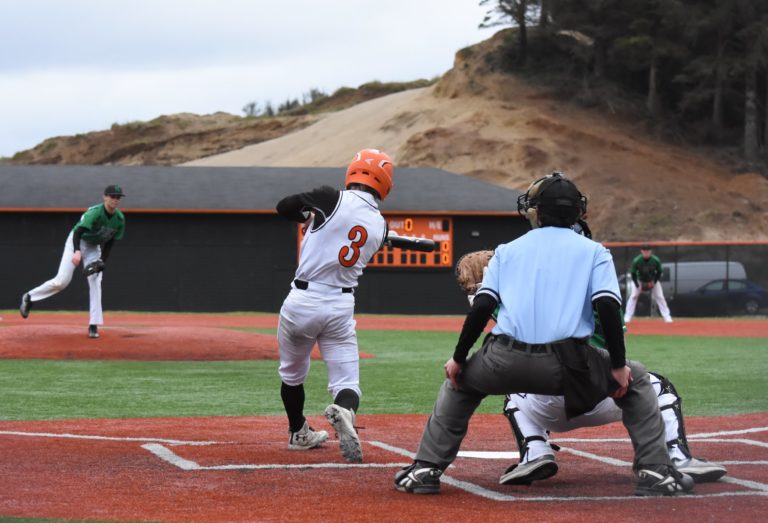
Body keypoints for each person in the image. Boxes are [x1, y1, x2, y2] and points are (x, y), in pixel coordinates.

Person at [394, 171, 694, 496]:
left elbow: (482, 308)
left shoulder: (506, 251)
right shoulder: (595, 252)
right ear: (579, 212)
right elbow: (608, 307)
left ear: (536, 212)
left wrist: (458, 359)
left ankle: (426, 468)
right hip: (570, 362)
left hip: (503, 356)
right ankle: (654, 471)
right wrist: (618, 365)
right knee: (637, 378)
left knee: (458, 386)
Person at [275, 149, 393, 463]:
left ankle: (298, 431)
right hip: (340, 304)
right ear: (384, 184)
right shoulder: (380, 226)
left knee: (292, 374)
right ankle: (344, 411)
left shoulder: (330, 198)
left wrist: (305, 216)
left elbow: (284, 206)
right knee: (347, 383)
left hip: (302, 300)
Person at [19, 185, 127, 339]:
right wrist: (76, 251)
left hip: (93, 247)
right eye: (112, 196)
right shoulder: (95, 213)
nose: (115, 199)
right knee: (62, 281)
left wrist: (102, 261)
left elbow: (110, 242)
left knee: (96, 280)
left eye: (118, 197)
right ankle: (29, 297)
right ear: (105, 197)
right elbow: (78, 232)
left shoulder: (119, 219)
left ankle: (93, 325)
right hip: (77, 241)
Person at [624, 244, 672, 323]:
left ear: (650, 251)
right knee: (633, 296)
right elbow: (633, 274)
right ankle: (627, 316)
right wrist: (637, 285)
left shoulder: (655, 260)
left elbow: (659, 272)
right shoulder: (637, 260)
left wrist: (654, 282)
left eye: (648, 251)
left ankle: (667, 316)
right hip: (640, 280)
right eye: (644, 251)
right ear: (641, 251)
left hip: (652, 279)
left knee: (660, 297)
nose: (646, 252)